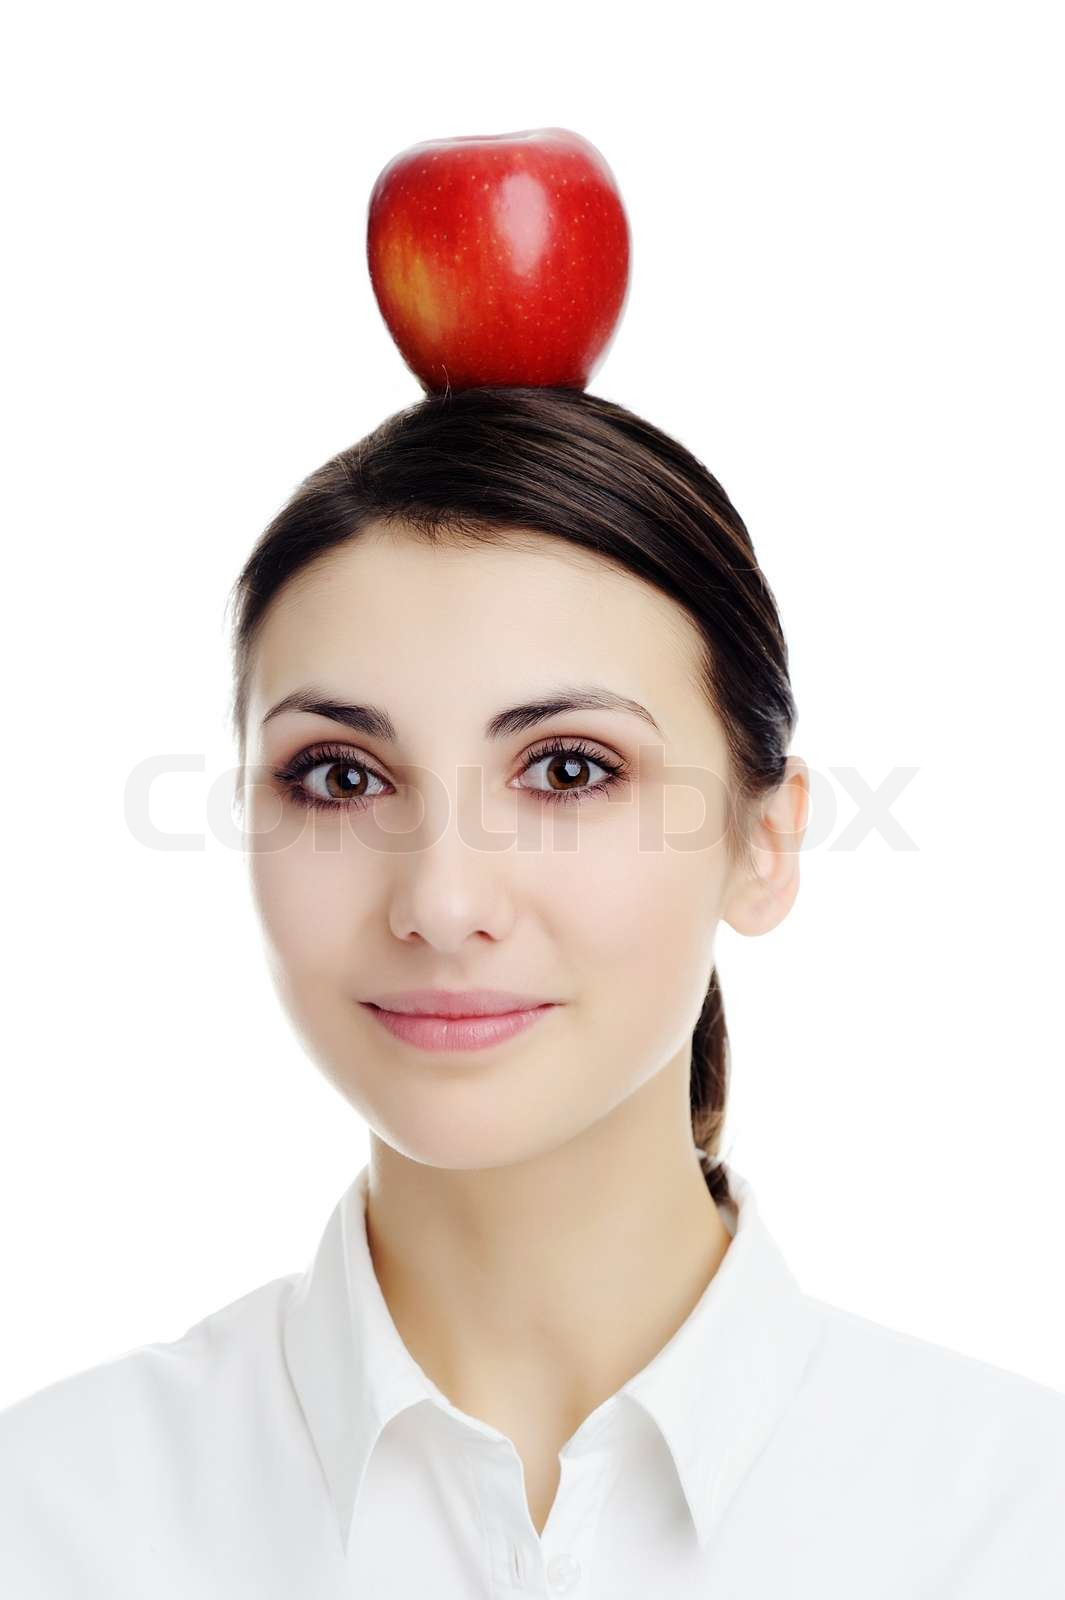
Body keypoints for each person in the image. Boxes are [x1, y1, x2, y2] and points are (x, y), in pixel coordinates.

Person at [1, 385, 1062, 1597]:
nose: (442, 901)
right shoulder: (49, 1520)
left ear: (764, 841)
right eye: (340, 776)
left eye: (567, 768)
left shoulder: (1019, 1527)